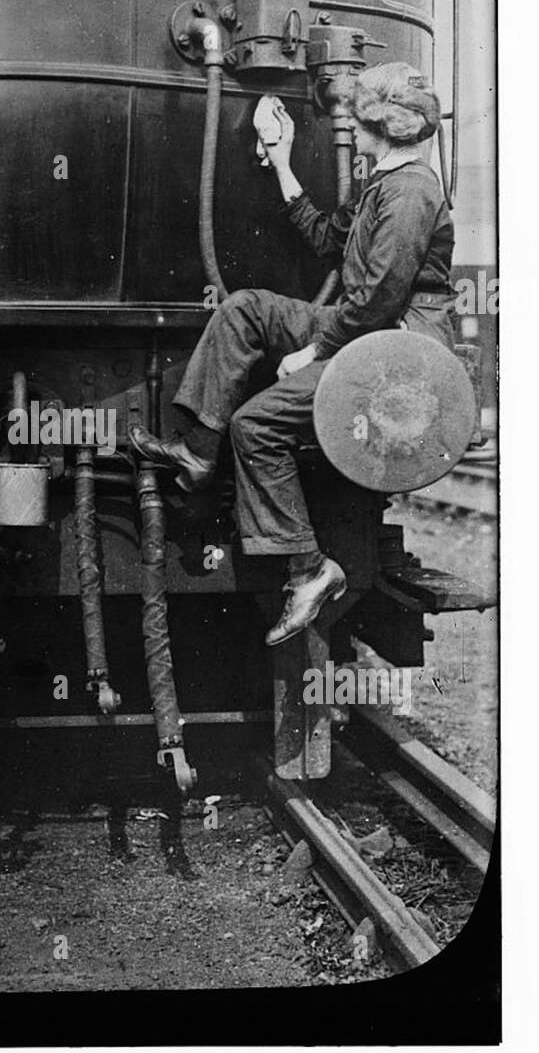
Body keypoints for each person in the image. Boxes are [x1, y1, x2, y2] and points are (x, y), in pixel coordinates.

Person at [129, 62, 455, 647]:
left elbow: (377, 300)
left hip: (399, 355)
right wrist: (281, 161)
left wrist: (312, 351)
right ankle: (199, 451)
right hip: (367, 331)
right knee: (246, 308)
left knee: (255, 426)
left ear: (378, 123)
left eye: (357, 117)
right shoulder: (386, 181)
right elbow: (328, 238)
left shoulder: (409, 193)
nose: (350, 127)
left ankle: (309, 569)